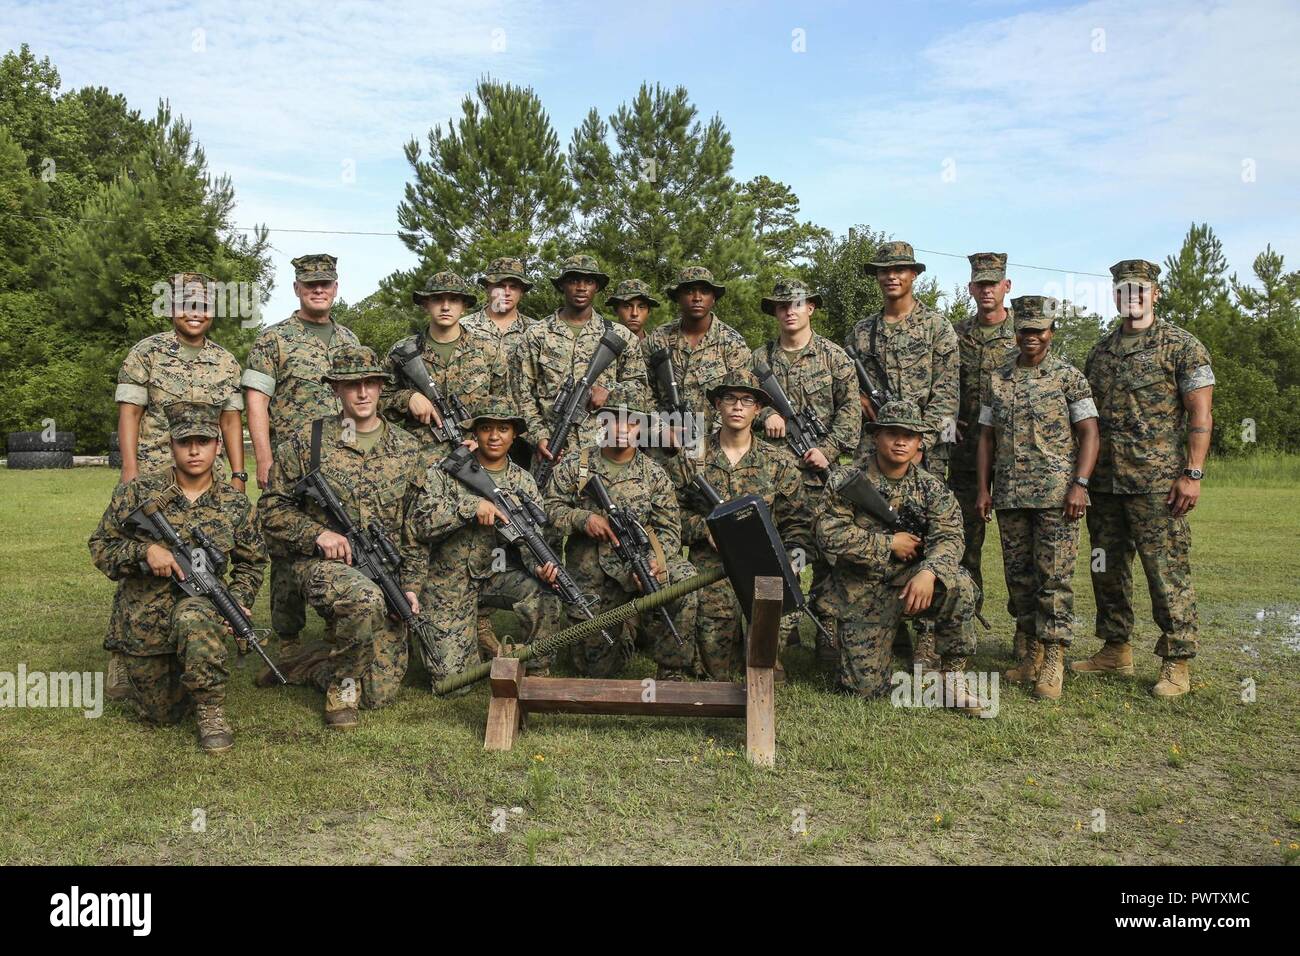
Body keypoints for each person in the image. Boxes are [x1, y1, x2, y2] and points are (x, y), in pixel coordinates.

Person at [256, 345, 428, 728]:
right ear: (336, 390)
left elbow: (414, 531)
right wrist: (317, 533)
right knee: (364, 600)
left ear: (382, 387)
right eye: (352, 385)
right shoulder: (308, 442)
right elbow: (270, 510)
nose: (362, 393)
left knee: (380, 693)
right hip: (319, 566)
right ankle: (342, 685)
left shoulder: (407, 449)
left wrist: (411, 587)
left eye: (370, 383)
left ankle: (312, 664)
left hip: (380, 569)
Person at [1073, 259, 1215, 698]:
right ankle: (1116, 648)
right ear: (1115, 296)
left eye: (1139, 289)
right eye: (1122, 290)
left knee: (1165, 570)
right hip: (1105, 483)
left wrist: (1192, 473)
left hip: (1157, 484)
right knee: (1106, 567)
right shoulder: (1100, 352)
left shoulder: (1182, 346)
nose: (1130, 297)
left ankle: (1177, 659)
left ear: (1155, 293)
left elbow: (1200, 414)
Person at [89, 401, 265, 752]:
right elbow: (100, 547)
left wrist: (239, 601)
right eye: (185, 442)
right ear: (172, 446)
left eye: (203, 441)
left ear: (218, 445)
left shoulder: (235, 504)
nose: (195, 450)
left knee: (195, 615)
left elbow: (251, 563)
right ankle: (125, 659)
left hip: (198, 614)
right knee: (161, 714)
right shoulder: (137, 494)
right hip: (144, 622)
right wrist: (144, 552)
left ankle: (211, 710)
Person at [109, 271, 247, 701]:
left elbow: (230, 421)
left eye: (203, 306)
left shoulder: (226, 362)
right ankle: (121, 653)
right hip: (153, 478)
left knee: (198, 560)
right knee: (140, 563)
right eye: (187, 305)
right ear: (172, 309)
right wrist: (130, 472)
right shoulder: (145, 354)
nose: (195, 313)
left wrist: (239, 476)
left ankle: (197, 639)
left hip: (206, 475)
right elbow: (130, 413)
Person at [815, 400, 982, 713]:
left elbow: (950, 536)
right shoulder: (847, 480)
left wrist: (929, 572)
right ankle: (888, 646)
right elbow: (828, 534)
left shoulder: (932, 488)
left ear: (919, 442)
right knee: (863, 689)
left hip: (912, 583)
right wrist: (888, 544)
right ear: (876, 437)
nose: (901, 441)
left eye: (909, 435)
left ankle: (952, 675)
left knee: (958, 582)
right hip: (861, 589)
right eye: (892, 433)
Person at [975, 296, 1099, 700]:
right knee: (1019, 579)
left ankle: (1054, 658)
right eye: (1025, 330)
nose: (1031, 337)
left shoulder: (1069, 377)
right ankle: (1029, 653)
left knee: (1054, 580)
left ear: (1051, 332)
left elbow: (1089, 434)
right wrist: (983, 488)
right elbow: (986, 438)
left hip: (1056, 496)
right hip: (1010, 495)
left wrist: (1080, 484)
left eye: (1039, 330)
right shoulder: (997, 378)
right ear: (1017, 332)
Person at [844, 241, 960, 668]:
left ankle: (927, 634)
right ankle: (878, 626)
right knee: (872, 533)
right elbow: (849, 389)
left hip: (922, 455)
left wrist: (918, 446)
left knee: (925, 540)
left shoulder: (937, 329)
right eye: (884, 271)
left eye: (900, 270)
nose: (891, 276)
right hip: (872, 452)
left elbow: (947, 399)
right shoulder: (860, 332)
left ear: (914, 275)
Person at [243, 254, 360, 652]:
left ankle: (335, 623)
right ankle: (288, 635)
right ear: (297, 289)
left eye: (325, 283)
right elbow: (256, 400)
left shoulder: (349, 340)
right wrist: (263, 458)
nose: (318, 290)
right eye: (310, 284)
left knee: (341, 536)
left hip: (339, 461)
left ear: (335, 288)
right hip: (290, 464)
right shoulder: (273, 339)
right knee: (285, 546)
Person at [409, 397, 564, 686]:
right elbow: (420, 523)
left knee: (546, 593)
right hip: (449, 581)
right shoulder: (447, 470)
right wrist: (468, 508)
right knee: (452, 685)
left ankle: (538, 669)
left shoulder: (523, 481)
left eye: (503, 429)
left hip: (496, 573)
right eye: (486, 428)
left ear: (514, 435)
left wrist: (540, 568)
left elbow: (529, 541)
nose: (494, 436)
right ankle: (477, 632)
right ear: (475, 433)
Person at [542, 403, 698, 679]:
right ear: (603, 424)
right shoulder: (575, 467)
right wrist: (582, 518)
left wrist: (655, 563)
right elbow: (549, 510)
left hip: (639, 564)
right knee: (596, 670)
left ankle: (672, 666)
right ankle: (627, 630)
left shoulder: (654, 474)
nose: (624, 430)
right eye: (617, 422)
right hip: (593, 573)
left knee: (684, 580)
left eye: (632, 423)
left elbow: (669, 529)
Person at [665, 373, 804, 680]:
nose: (737, 407)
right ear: (718, 405)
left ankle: (766, 654)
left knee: (766, 654)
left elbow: (798, 523)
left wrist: (793, 559)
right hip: (713, 564)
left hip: (764, 560)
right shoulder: (692, 457)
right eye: (729, 399)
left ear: (758, 410)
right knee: (717, 669)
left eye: (747, 400)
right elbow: (669, 517)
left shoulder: (778, 462)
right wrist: (705, 529)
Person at [751, 276, 860, 662]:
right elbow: (741, 402)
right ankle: (779, 634)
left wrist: (826, 450)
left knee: (829, 555)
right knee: (778, 555)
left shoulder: (835, 358)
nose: (789, 311)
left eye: (796, 304)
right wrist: (766, 413)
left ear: (810, 307)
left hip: (820, 479)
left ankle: (827, 631)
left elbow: (851, 414)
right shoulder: (759, 360)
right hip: (774, 480)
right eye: (782, 306)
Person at [512, 254, 650, 469]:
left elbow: (640, 388)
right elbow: (521, 395)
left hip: (606, 452)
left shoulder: (621, 336)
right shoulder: (536, 335)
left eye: (589, 281)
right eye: (574, 280)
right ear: (562, 286)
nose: (581, 287)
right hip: (551, 451)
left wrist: (609, 390)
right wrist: (539, 437)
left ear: (596, 287)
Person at [949, 253, 1019, 630]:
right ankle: (964, 617)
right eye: (981, 283)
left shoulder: (1025, 332)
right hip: (964, 453)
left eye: (994, 283)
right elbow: (940, 385)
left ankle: (1025, 630)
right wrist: (947, 424)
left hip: (1013, 454)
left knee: (1017, 545)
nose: (987, 289)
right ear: (971, 288)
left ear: (1006, 287)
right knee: (963, 537)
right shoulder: (955, 334)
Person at [381, 271, 494, 450]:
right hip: (419, 460)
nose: (445, 307)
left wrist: (484, 441)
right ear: (425, 304)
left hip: (477, 457)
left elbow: (505, 404)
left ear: (464, 306)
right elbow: (374, 402)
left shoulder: (488, 351)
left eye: (454, 300)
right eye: (437, 299)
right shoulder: (402, 351)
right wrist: (408, 398)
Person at [644, 265, 751, 445]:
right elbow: (642, 389)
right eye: (689, 291)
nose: (697, 298)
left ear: (713, 298)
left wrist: (714, 440)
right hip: (664, 446)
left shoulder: (733, 343)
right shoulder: (657, 339)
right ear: (678, 297)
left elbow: (740, 398)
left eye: (704, 291)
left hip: (716, 447)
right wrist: (661, 429)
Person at [461, 256, 538, 402]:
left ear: (522, 291)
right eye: (500, 285)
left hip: (524, 419)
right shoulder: (463, 328)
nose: (506, 292)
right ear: (487, 287)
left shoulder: (536, 331)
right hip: (477, 419)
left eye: (514, 287)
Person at [606, 278, 661, 355]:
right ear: (616, 309)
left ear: (648, 311)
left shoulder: (658, 348)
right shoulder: (603, 345)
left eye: (641, 307)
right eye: (627, 306)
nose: (634, 313)